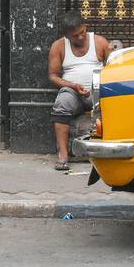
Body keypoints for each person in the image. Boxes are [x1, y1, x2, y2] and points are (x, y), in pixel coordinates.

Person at [48, 11, 111, 171]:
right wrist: (73, 86)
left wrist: (99, 86)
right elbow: (53, 76)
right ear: (67, 36)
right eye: (75, 36)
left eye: (82, 32)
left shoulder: (100, 42)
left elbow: (113, 69)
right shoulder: (58, 46)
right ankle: (63, 154)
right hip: (73, 92)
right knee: (62, 102)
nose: (80, 37)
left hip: (97, 92)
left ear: (85, 27)